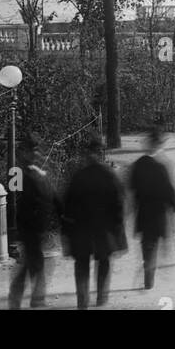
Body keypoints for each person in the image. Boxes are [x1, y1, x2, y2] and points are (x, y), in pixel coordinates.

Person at [60, 131, 126, 309]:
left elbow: (67, 208)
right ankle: (101, 299)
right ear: (101, 153)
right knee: (103, 262)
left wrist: (66, 234)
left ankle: (83, 300)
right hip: (103, 231)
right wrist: (119, 233)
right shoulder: (110, 176)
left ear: (88, 154)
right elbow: (118, 206)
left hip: (81, 232)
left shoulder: (78, 176)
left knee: (82, 264)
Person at [126, 126, 175, 291]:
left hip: (143, 212)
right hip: (160, 214)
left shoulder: (137, 165)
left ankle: (148, 276)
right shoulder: (162, 166)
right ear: (158, 145)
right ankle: (155, 266)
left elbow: (131, 188)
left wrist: (130, 209)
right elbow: (170, 192)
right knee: (157, 241)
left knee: (147, 244)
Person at [9, 134, 60, 310]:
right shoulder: (17, 172)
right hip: (28, 228)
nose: (34, 154)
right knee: (34, 264)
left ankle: (24, 299)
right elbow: (14, 201)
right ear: (23, 152)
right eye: (31, 150)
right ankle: (33, 300)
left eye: (36, 150)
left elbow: (51, 198)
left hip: (36, 229)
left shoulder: (36, 173)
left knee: (32, 264)